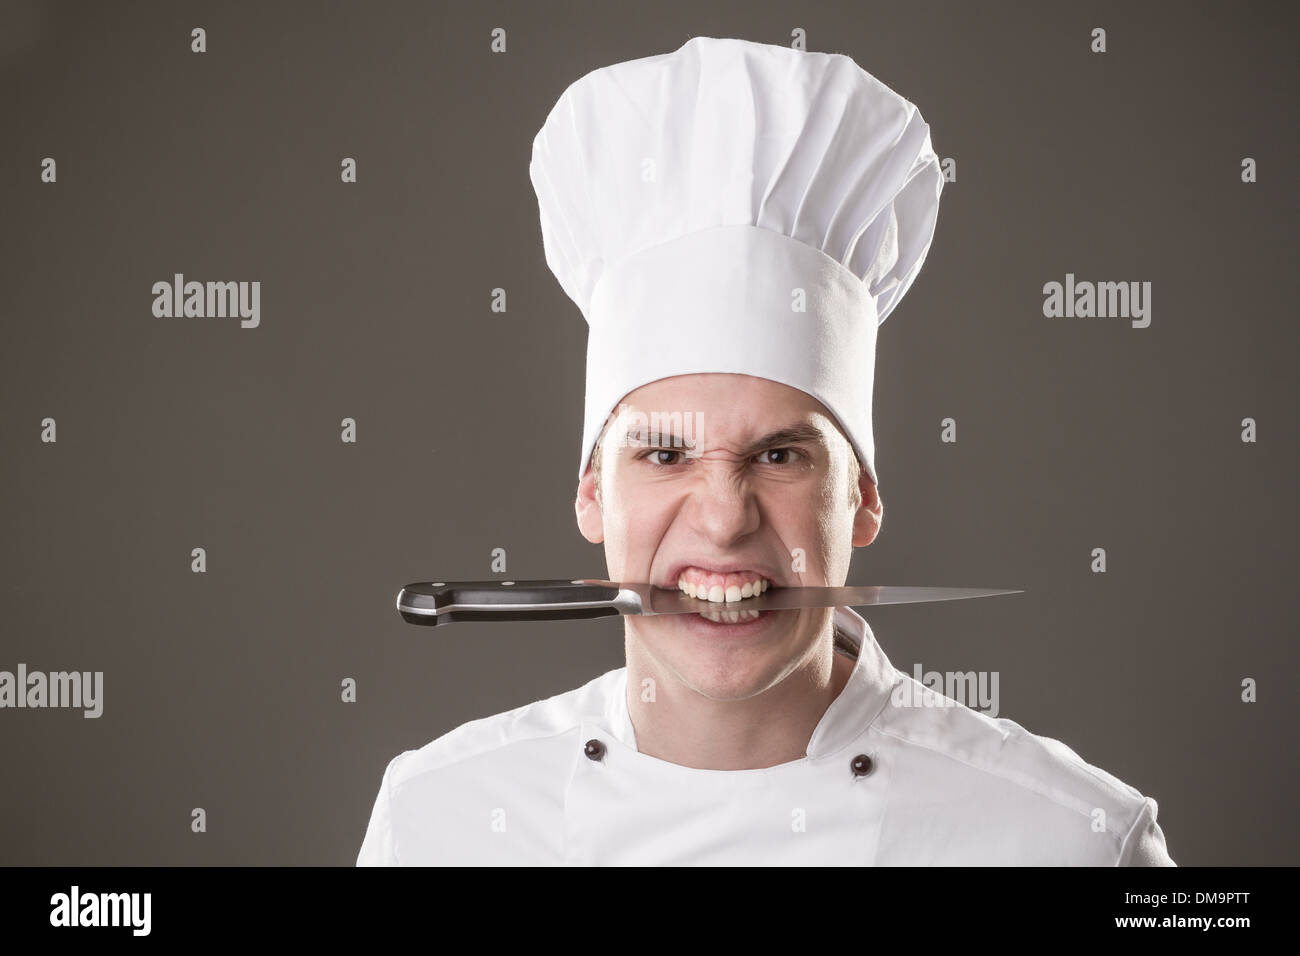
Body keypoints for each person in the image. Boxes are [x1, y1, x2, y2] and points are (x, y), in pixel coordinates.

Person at [357, 35, 1174, 865]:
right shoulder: (438, 819)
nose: (722, 520)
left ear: (861, 497)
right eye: (665, 456)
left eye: (779, 456)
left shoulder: (1074, 839)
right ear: (592, 495)